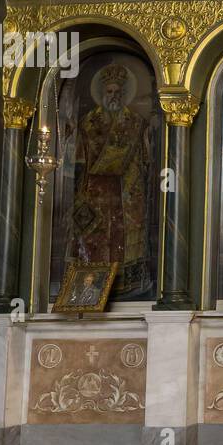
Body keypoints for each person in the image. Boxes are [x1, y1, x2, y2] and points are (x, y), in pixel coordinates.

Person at [67, 63, 152, 297]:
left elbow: (145, 162)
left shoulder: (135, 123)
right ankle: (90, 288)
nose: (113, 96)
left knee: (121, 238)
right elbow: (78, 162)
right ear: (103, 94)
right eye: (109, 92)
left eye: (118, 92)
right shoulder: (87, 123)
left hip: (126, 192)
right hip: (95, 193)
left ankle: (124, 286)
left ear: (124, 94)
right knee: (95, 239)